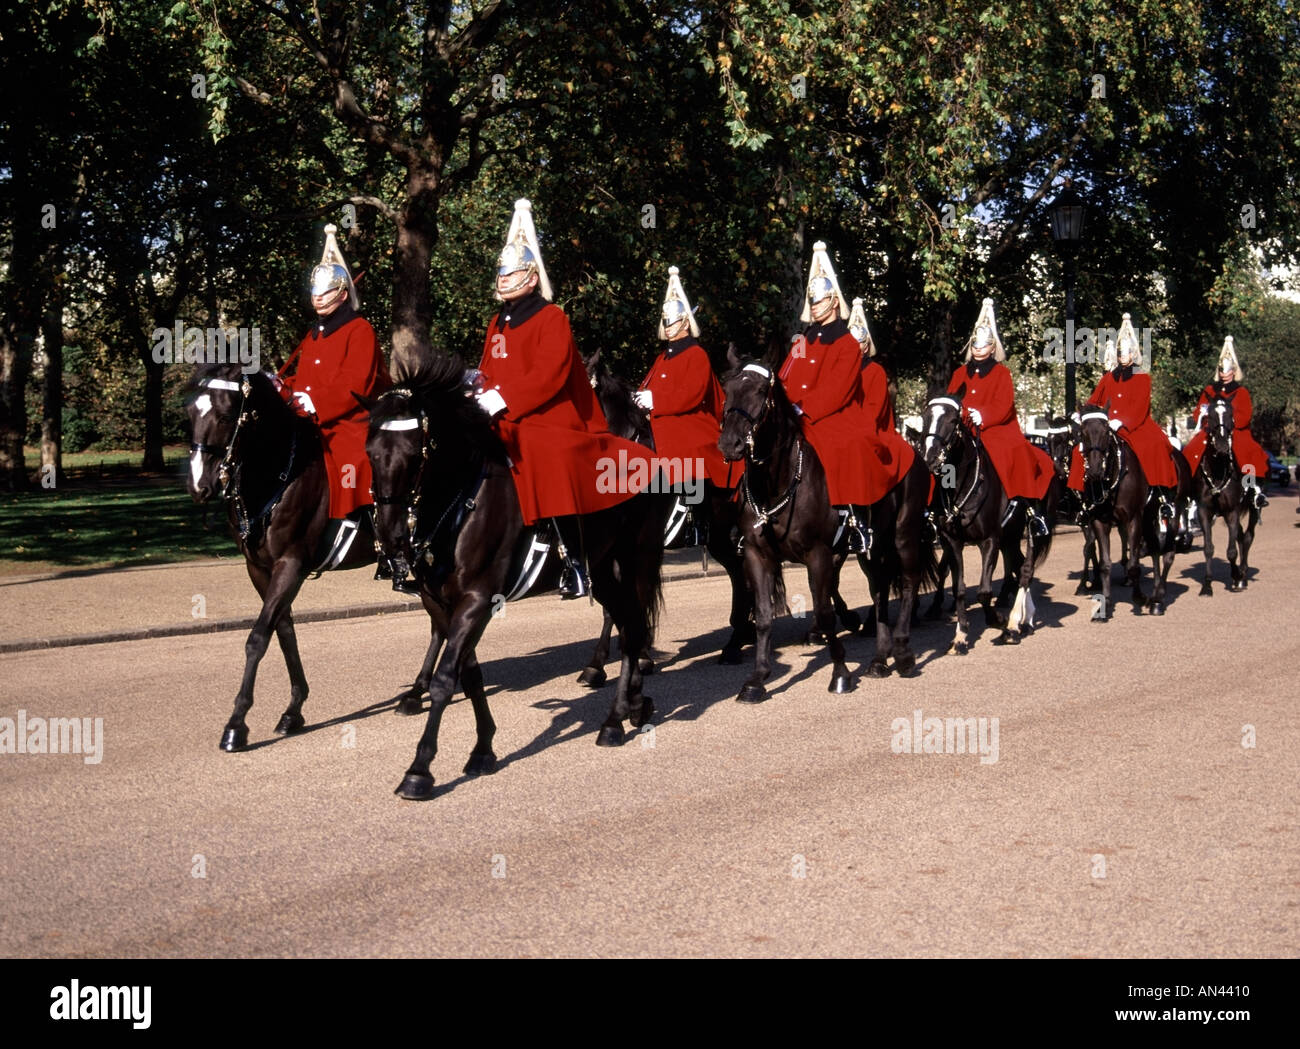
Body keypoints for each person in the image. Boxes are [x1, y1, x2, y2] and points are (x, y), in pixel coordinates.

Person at [473, 198, 658, 598]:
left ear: (532, 277)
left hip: (548, 416)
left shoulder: (551, 317)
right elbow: (488, 366)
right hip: (503, 413)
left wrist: (503, 398)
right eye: (501, 272)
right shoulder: (497, 322)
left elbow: (550, 375)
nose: (504, 279)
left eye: (513, 272)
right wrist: (478, 388)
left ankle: (574, 561)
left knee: (544, 453)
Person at [777, 242, 913, 553]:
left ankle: (853, 518)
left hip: (832, 416)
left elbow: (837, 391)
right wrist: (785, 406)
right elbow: (787, 375)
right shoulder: (801, 339)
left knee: (846, 445)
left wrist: (803, 410)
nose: (814, 305)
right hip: (796, 413)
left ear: (834, 301)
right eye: (812, 300)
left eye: (820, 300)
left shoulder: (849, 344)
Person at [280, 223, 391, 521]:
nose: (318, 297)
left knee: (353, 459)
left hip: (349, 420)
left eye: (326, 291)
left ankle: (364, 523)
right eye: (315, 290)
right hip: (310, 419)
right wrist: (281, 388)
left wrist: (315, 403)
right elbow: (303, 380)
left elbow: (356, 385)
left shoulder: (360, 329)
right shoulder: (315, 332)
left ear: (342, 294)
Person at [947, 297, 1054, 536]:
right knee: (943, 460)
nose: (978, 350)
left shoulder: (1001, 373)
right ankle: (941, 503)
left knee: (1014, 452)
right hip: (963, 427)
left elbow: (1004, 405)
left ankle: (1026, 507)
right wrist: (963, 413)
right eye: (975, 345)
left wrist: (982, 416)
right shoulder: (959, 373)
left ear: (992, 347)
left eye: (983, 346)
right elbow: (953, 400)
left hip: (995, 428)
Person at [1066, 313, 1182, 526]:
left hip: (1137, 426)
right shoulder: (1108, 377)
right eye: (1120, 353)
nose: (1122, 356)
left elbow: (1141, 408)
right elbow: (1094, 400)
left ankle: (1161, 495)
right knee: (1080, 450)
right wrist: (1081, 413)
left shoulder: (1142, 377)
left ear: (1134, 354)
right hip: (1107, 428)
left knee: (1153, 446)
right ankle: (1083, 499)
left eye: (1126, 352)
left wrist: (1123, 421)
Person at [635, 266, 737, 492]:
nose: (668, 327)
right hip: (659, 421)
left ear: (684, 321)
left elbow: (691, 395)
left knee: (684, 448)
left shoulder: (696, 354)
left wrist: (655, 401)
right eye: (666, 322)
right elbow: (647, 386)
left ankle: (693, 513)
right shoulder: (663, 357)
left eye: (672, 322)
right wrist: (639, 398)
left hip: (692, 422)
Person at [1182, 335, 1270, 510]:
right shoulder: (1209, 390)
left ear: (1234, 371)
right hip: (1212, 429)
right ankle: (1188, 489)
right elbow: (1199, 409)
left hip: (1235, 430)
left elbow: (1245, 415)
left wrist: (1229, 421)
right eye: (1222, 370)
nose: (1224, 374)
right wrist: (1203, 413)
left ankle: (1252, 488)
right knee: (1191, 449)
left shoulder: (1241, 391)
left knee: (1248, 452)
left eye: (1228, 371)